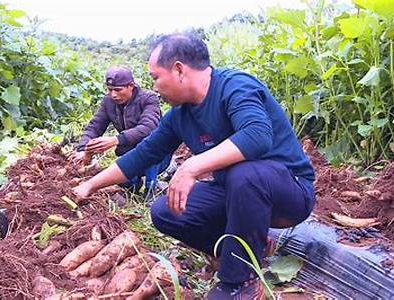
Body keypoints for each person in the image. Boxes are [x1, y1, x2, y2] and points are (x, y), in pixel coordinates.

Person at [73, 34, 315, 299]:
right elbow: (142, 155)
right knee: (166, 210)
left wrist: (191, 167)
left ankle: (240, 282)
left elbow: (257, 135)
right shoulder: (180, 115)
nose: (154, 87)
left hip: (290, 192)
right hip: (237, 193)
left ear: (178, 69)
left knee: (244, 174)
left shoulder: (235, 86)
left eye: (155, 77)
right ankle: (247, 249)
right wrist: (89, 185)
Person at [68, 65, 171, 194]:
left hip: (157, 154)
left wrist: (116, 140)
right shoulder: (108, 102)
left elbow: (148, 127)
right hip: (129, 152)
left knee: (150, 153)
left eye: (118, 90)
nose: (113, 95)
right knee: (127, 185)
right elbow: (95, 126)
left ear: (131, 86)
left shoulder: (148, 98)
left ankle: (151, 190)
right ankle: (134, 184)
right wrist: (83, 149)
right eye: (110, 90)